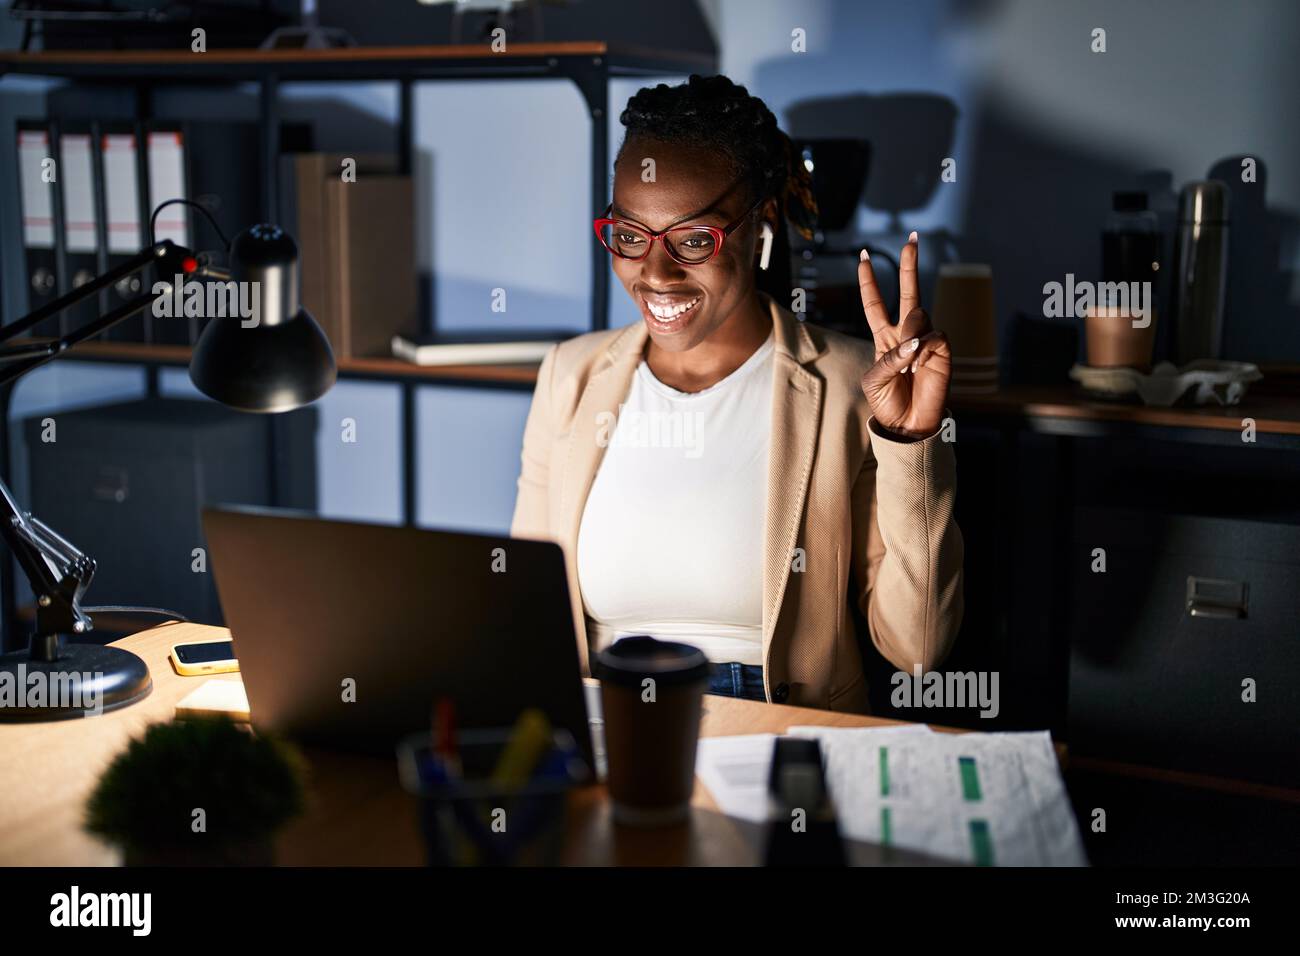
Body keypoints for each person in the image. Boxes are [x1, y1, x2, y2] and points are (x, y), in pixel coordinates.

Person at [511, 74, 963, 712]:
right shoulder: (569, 376)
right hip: (605, 721)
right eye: (630, 235)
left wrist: (911, 443)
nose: (656, 274)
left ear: (761, 228)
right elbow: (532, 616)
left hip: (774, 730)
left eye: (695, 240)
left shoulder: (851, 385)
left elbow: (916, 650)